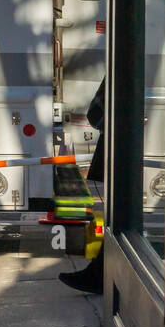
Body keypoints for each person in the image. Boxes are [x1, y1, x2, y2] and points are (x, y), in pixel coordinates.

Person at [60, 78, 105, 293]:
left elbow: (96, 114)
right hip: (124, 154)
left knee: (109, 216)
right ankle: (97, 272)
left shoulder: (118, 72)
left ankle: (97, 274)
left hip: (114, 153)